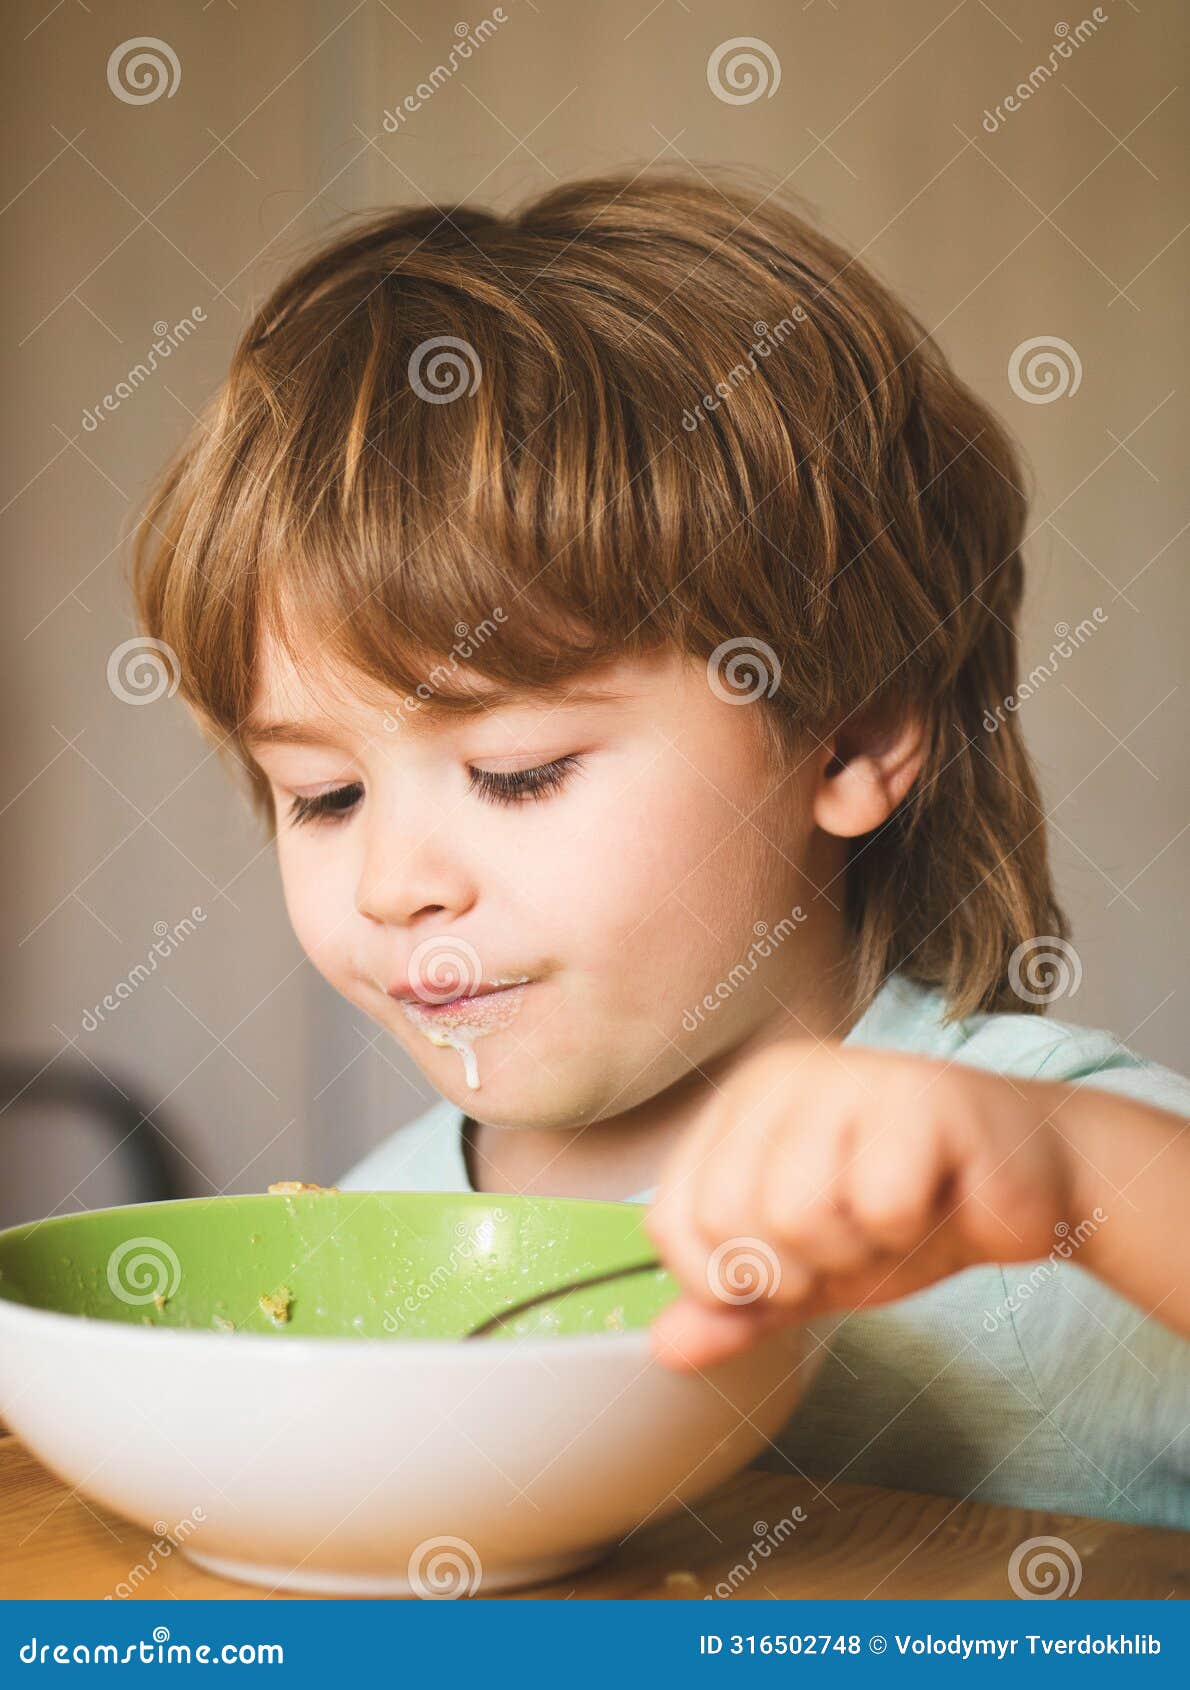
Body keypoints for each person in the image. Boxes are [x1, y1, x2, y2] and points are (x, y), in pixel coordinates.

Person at [131, 168, 1189, 1529]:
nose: (396, 885)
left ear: (848, 737)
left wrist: (1076, 1176)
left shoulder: (1037, 1174)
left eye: (518, 774)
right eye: (323, 796)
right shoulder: (373, 1231)